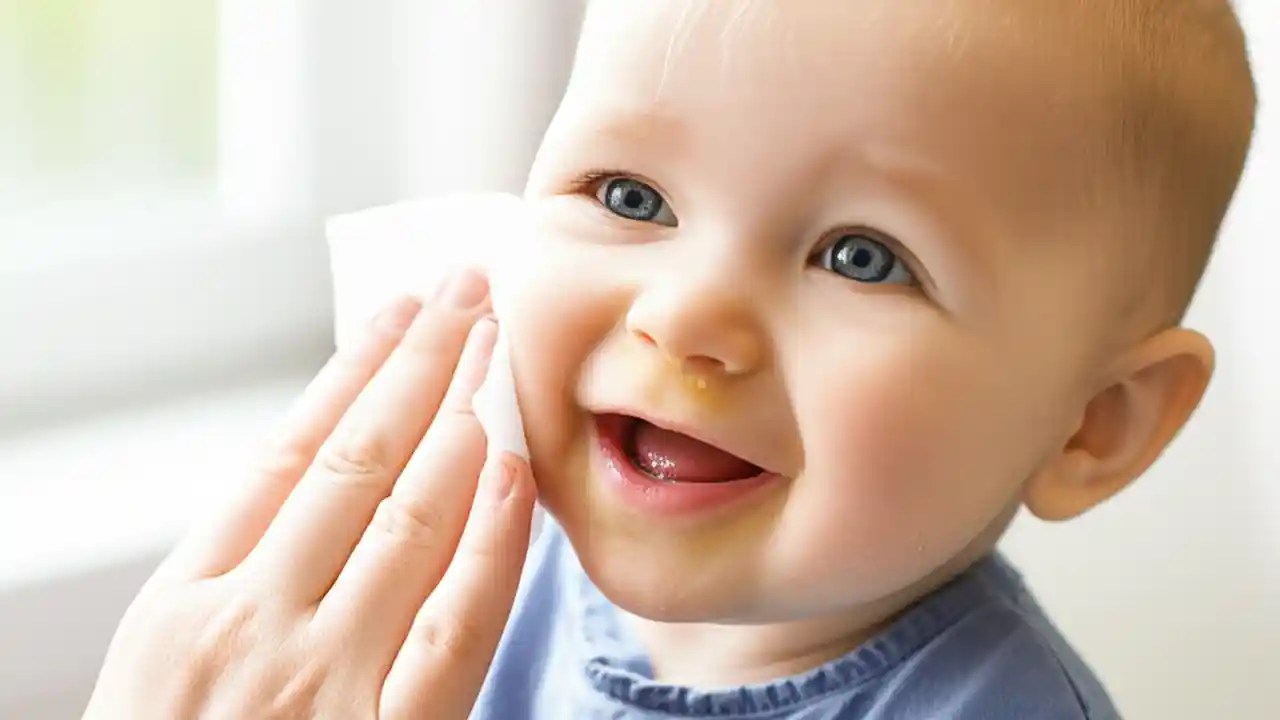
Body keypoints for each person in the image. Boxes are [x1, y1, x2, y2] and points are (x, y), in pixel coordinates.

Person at [86, 0, 1257, 718]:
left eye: (860, 257)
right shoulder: (452, 585)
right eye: (630, 194)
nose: (687, 319)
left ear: (1091, 423)